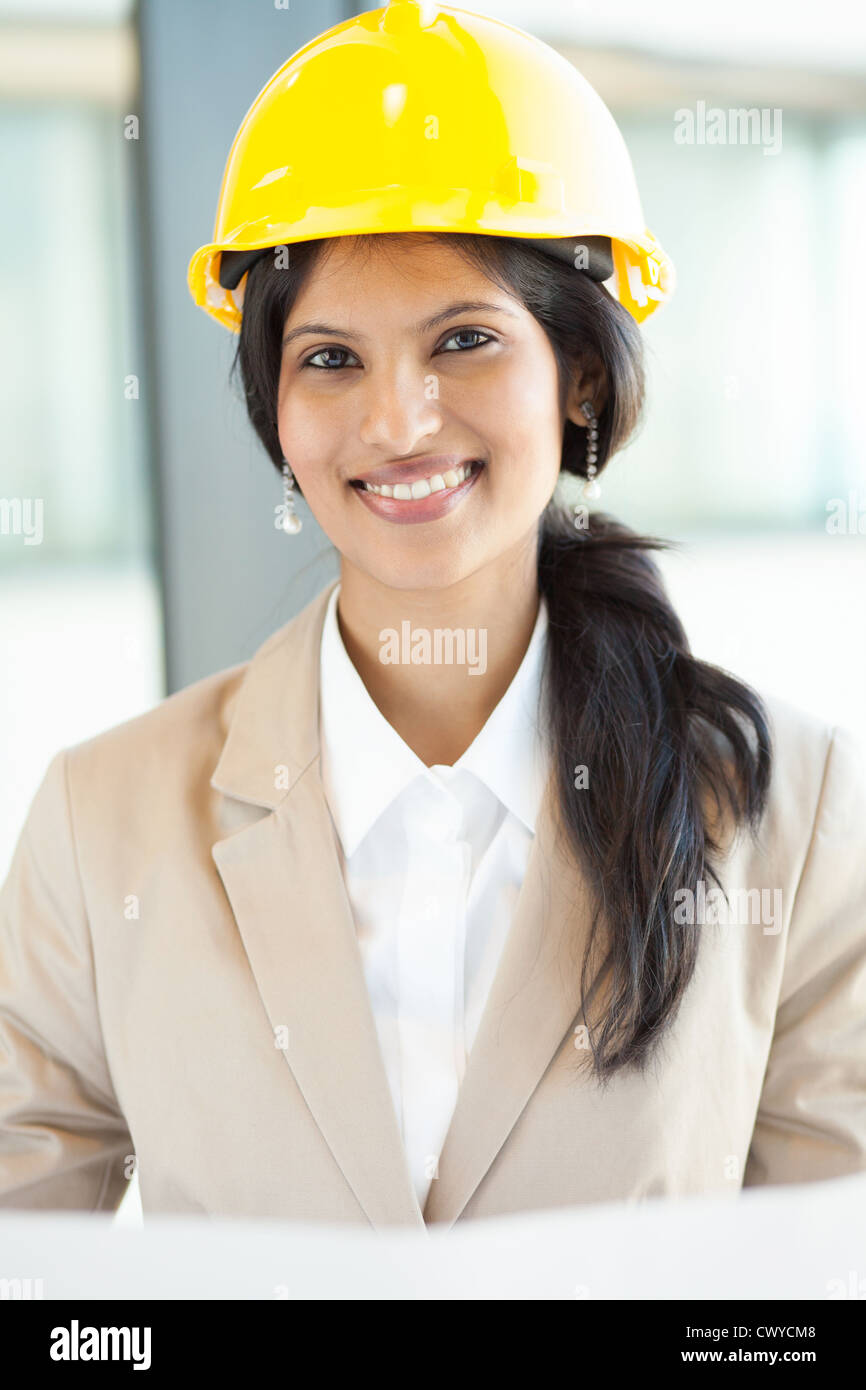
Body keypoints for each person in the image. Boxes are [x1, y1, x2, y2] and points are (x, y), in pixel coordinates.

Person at [1, 0, 864, 1229]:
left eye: (463, 339)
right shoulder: (103, 827)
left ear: (574, 371)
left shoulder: (790, 812)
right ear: (273, 403)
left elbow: (815, 1295)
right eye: (330, 358)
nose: (398, 424)